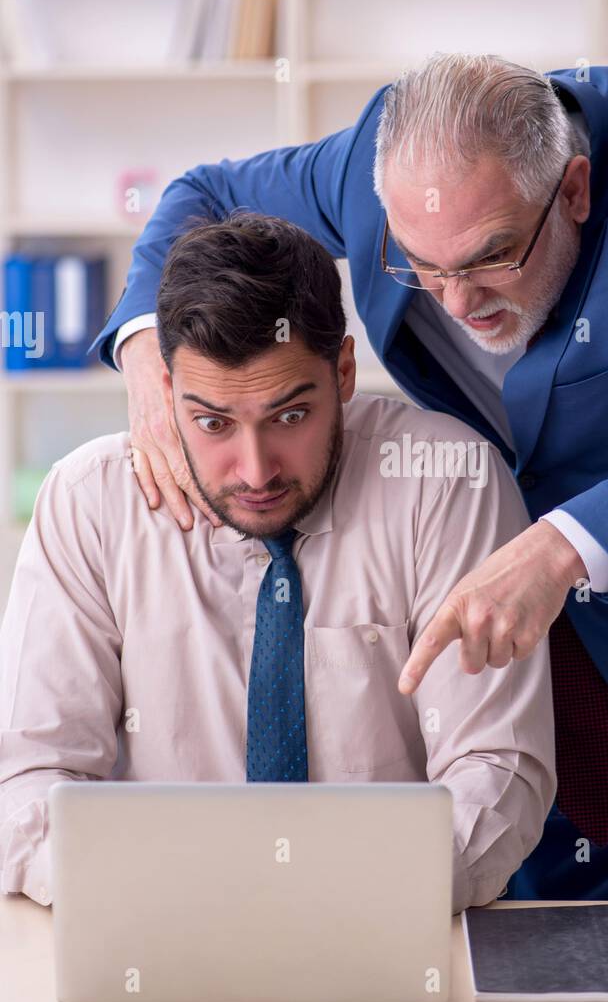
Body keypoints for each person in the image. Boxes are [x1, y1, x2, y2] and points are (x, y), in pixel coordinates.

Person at [92, 52, 608, 901]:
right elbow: (201, 195)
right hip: (567, 684)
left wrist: (559, 550)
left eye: (491, 258)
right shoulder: (381, 170)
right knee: (520, 983)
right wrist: (142, 353)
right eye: (420, 265)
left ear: (573, 190)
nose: (454, 302)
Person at [0, 213, 556, 910]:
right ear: (164, 393)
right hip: (157, 930)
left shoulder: (447, 482)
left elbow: (497, 768)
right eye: (212, 424)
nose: (255, 469)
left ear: (344, 373)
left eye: (289, 416)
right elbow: (30, 777)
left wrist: (342, 900)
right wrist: (149, 897)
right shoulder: (90, 502)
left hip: (385, 923)